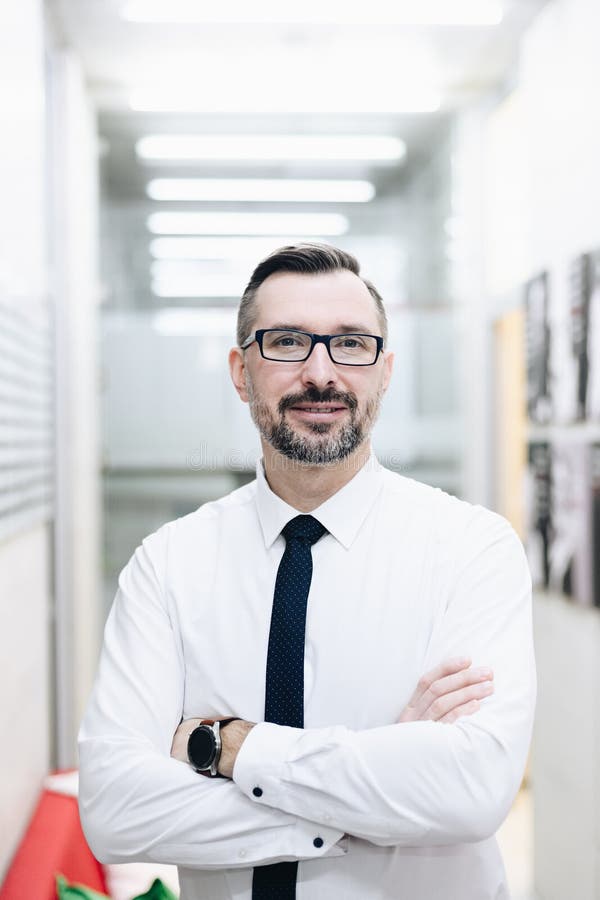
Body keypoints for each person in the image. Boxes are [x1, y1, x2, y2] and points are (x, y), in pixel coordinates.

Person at [78, 243, 536, 900]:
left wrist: (233, 749)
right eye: (287, 342)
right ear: (240, 372)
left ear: (384, 371)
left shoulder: (472, 549)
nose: (321, 373)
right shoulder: (168, 564)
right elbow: (116, 810)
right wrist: (377, 789)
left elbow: (473, 790)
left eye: (351, 344)